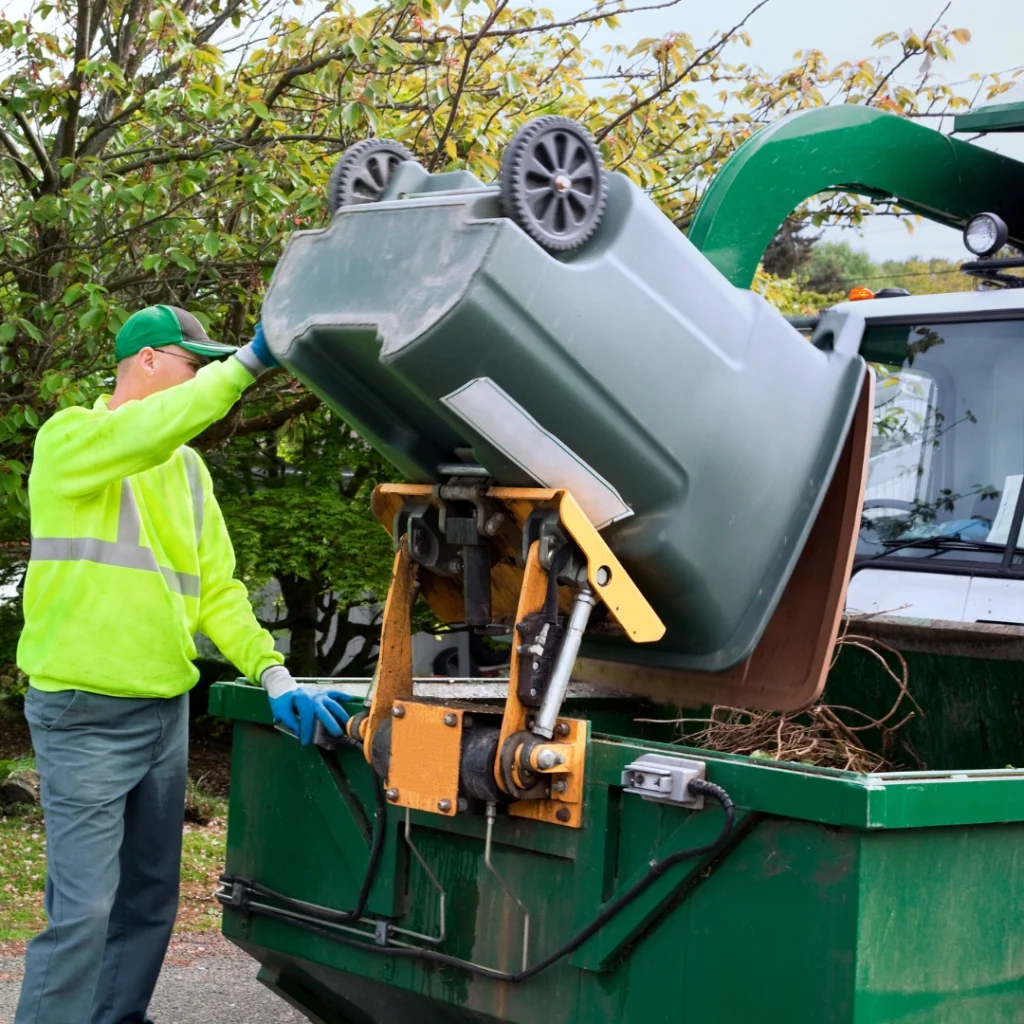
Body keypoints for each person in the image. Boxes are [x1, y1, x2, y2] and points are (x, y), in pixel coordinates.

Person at [14, 304, 351, 1024]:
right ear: (145, 362)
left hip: (163, 712)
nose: (200, 379)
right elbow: (145, 430)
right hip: (83, 712)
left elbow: (219, 591)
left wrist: (273, 672)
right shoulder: (70, 439)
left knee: (148, 899)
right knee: (83, 912)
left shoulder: (189, 472)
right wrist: (250, 365)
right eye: (191, 365)